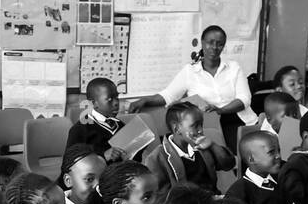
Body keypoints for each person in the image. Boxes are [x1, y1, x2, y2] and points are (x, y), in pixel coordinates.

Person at [127, 25, 256, 148]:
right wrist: (145, 100)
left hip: (240, 120)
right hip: (207, 125)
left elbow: (244, 99)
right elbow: (168, 96)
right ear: (202, 42)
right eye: (210, 42)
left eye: (220, 43)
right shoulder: (190, 71)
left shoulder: (233, 67)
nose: (215, 47)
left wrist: (219, 110)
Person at [143, 100, 234, 194]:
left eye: (201, 125)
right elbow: (159, 195)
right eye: (195, 126)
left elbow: (228, 164)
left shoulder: (203, 145)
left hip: (211, 200)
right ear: (177, 129)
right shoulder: (157, 158)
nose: (200, 130)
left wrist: (213, 145)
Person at [68, 77, 126, 161]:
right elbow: (70, 161)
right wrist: (103, 155)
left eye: (117, 97)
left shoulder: (120, 125)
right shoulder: (80, 129)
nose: (116, 103)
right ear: (93, 103)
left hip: (120, 172)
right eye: (109, 99)